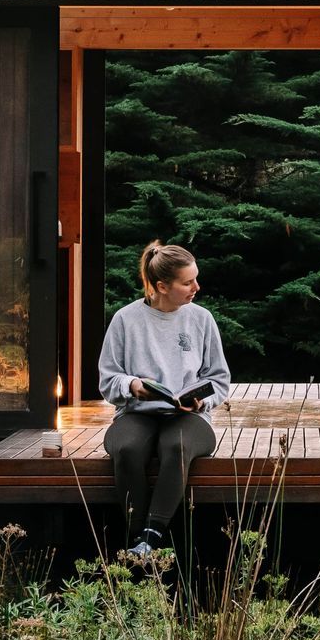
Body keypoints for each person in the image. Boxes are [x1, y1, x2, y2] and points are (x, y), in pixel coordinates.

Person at [95, 240, 233, 560]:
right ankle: (136, 536)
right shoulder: (126, 320)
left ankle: (151, 537)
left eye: (195, 278)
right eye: (187, 282)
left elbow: (218, 379)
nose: (196, 287)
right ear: (161, 286)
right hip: (138, 411)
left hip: (190, 415)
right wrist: (133, 385)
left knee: (177, 447)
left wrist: (201, 400)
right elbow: (107, 379)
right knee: (127, 448)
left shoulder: (201, 319)